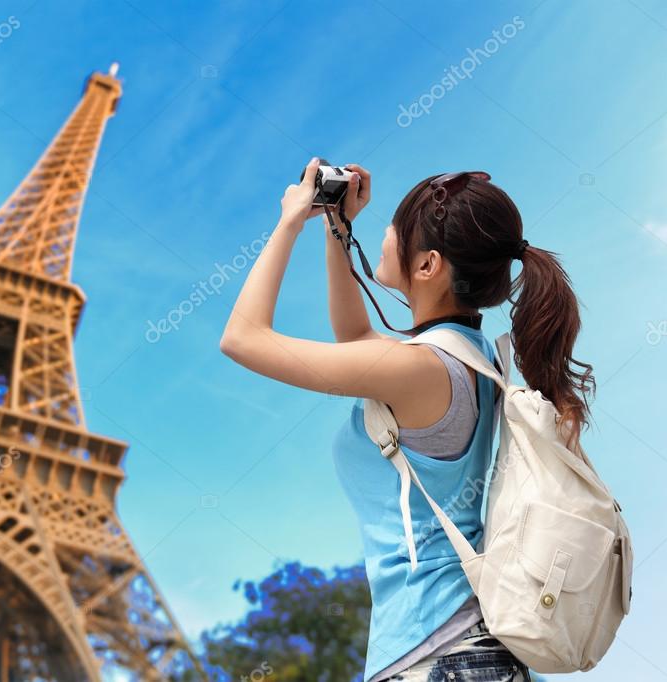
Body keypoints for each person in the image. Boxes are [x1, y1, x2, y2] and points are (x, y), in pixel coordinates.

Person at [219, 158, 595, 681]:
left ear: (428, 266)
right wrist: (335, 226)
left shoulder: (421, 367)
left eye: (396, 227)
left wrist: (288, 219)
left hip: (438, 654)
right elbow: (355, 339)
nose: (387, 233)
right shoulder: (469, 356)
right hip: (466, 653)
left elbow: (242, 338)